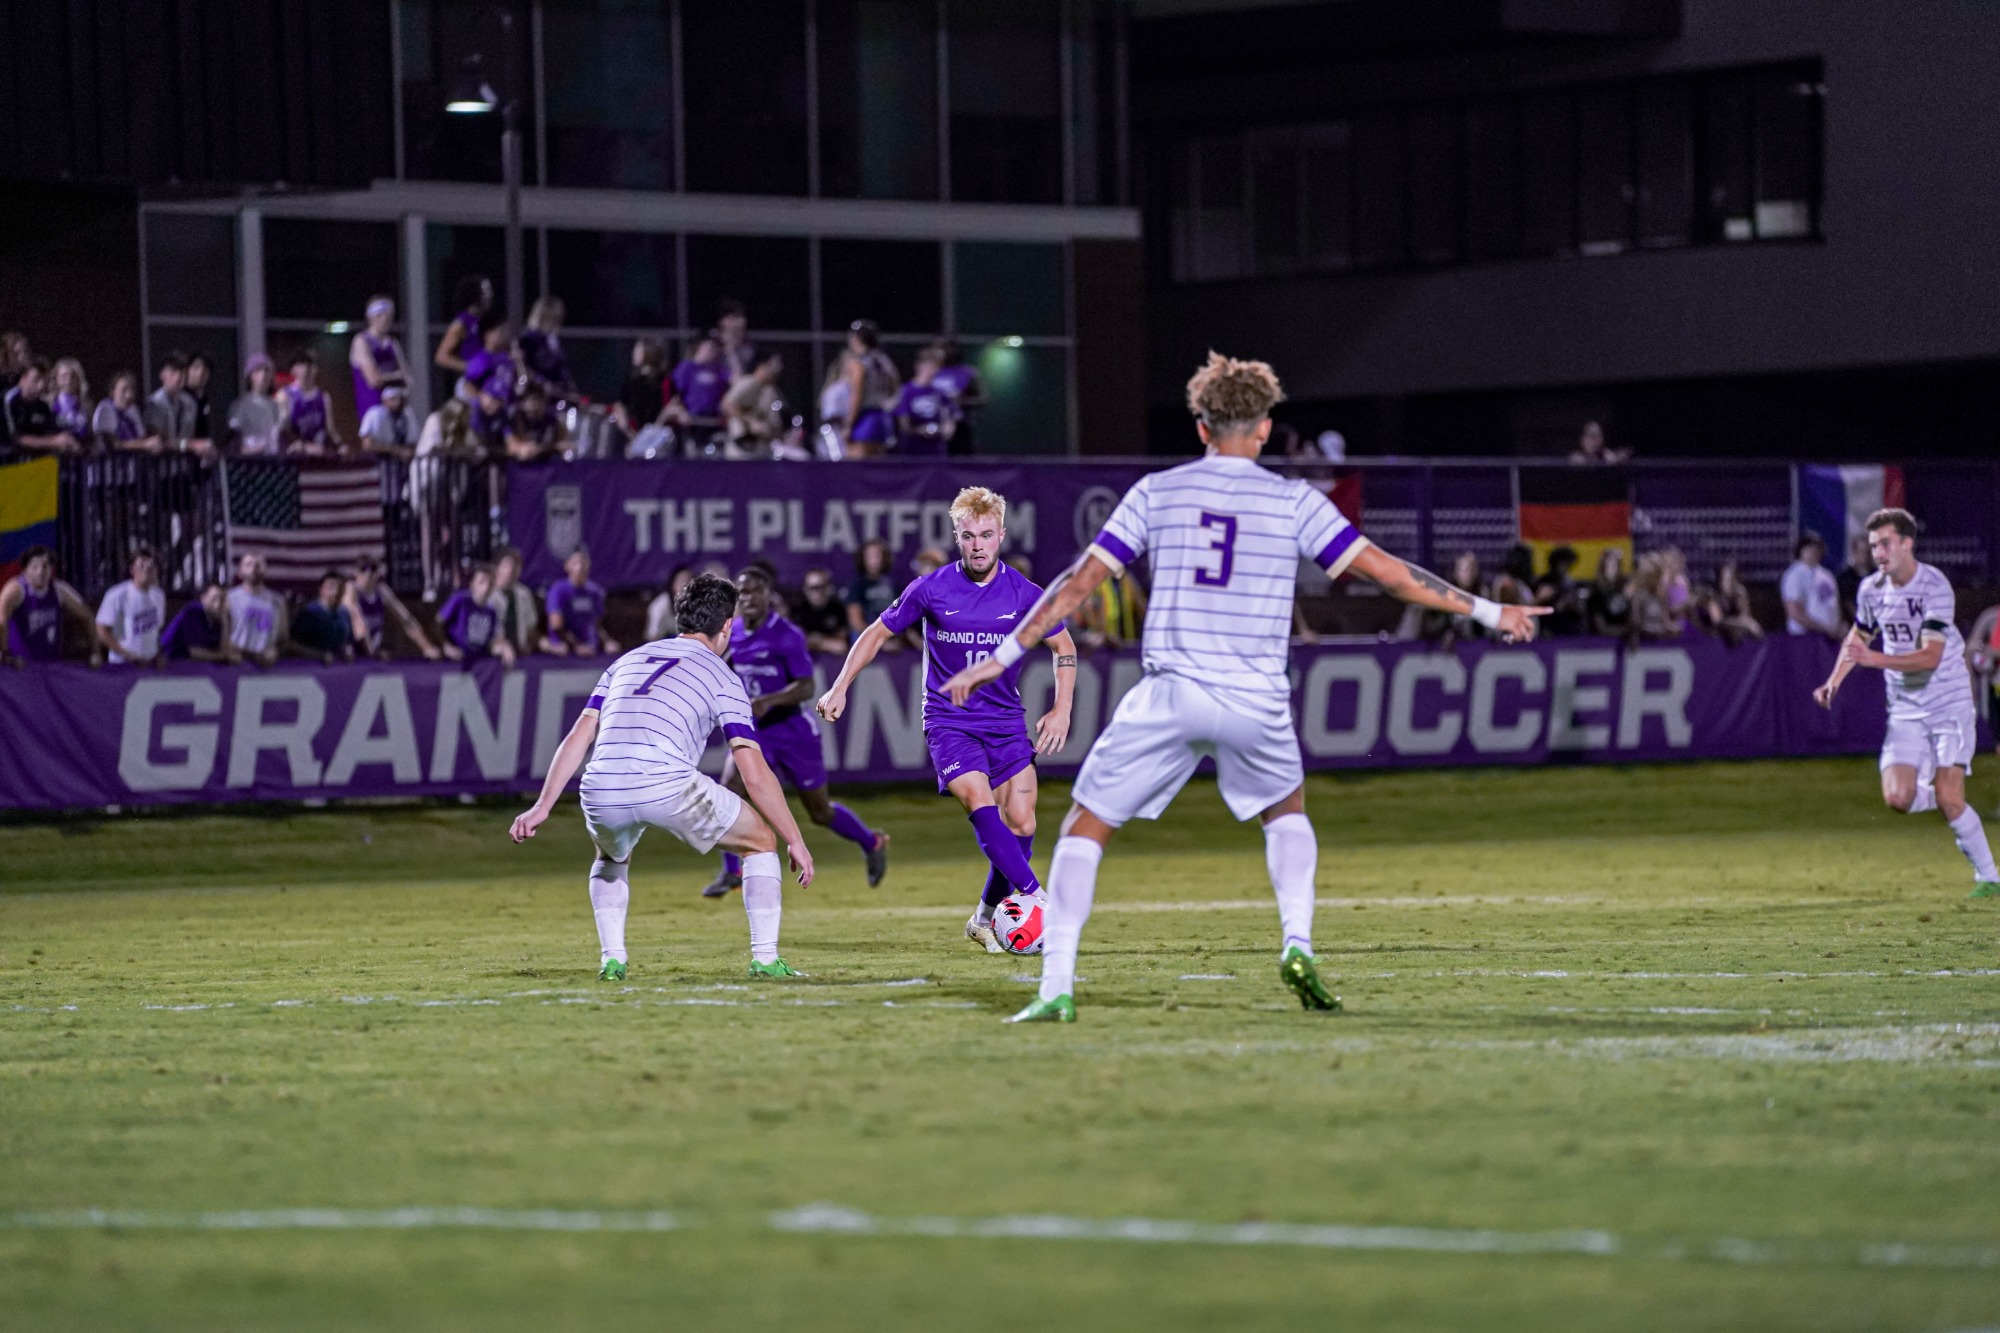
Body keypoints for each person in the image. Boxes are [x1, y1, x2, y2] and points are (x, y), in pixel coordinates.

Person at [940, 351, 1544, 1022]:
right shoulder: (1292, 500)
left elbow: (1078, 583)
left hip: (1171, 693)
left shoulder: (1157, 491)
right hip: (1256, 698)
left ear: (1200, 426)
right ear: (1262, 431)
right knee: (1286, 814)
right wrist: (1491, 611)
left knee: (1086, 826)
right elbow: (1390, 575)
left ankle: (1056, 986)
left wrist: (1000, 657)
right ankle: (1297, 942)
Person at [512, 572, 818, 981]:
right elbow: (754, 771)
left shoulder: (627, 660)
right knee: (760, 841)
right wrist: (794, 839)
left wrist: (542, 806)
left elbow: (580, 734)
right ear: (727, 626)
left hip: (601, 785)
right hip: (665, 782)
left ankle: (612, 960)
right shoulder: (723, 676)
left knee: (611, 857)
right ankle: (764, 959)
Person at [819, 489, 1075, 949]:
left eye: (987, 535)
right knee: (978, 801)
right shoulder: (931, 589)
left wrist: (1062, 709)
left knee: (1021, 823)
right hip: (948, 721)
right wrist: (840, 686)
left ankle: (982, 917)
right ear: (957, 538)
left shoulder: (1025, 594)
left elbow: (1064, 647)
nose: (979, 545)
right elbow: (876, 633)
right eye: (969, 536)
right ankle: (1040, 898)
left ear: (1002, 536)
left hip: (1005, 722)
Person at [1815, 507, 1998, 897]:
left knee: (1950, 798)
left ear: (1907, 543)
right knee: (1898, 798)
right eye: (1873, 546)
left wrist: (1875, 660)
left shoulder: (1934, 586)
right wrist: (1833, 681)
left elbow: (1930, 657)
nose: (1877, 553)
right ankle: (1948, 799)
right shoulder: (1870, 590)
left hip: (1948, 701)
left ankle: (1989, 877)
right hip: (1904, 707)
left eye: (1885, 544)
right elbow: (1858, 639)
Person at [691, 567, 891, 900]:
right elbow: (722, 668)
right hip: (755, 734)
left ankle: (872, 842)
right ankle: (731, 871)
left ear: (768, 595)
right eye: (743, 592)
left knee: (819, 811)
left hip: (793, 732)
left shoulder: (787, 635)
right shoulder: (733, 633)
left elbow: (807, 686)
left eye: (756, 591)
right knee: (728, 790)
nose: (750, 598)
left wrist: (769, 700)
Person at [0, 546, 92, 665]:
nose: (41, 571)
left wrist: (95, 652)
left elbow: (87, 616)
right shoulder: (15, 590)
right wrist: (5, 654)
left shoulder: (59, 589)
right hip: (19, 667)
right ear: (25, 570)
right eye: (35, 567)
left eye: (46, 566)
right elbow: (2, 622)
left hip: (50, 667)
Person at [343, 557, 440, 660]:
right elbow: (356, 621)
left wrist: (426, 647)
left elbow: (406, 619)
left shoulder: (381, 591)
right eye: (363, 569)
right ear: (355, 573)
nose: (368, 574)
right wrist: (371, 651)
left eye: (373, 569)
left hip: (372, 650)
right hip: (353, 647)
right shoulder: (350, 589)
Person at [94, 547, 167, 666]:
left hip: (149, 665)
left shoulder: (158, 596)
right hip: (123, 665)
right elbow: (102, 630)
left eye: (151, 566)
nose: (147, 569)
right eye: (142, 565)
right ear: (133, 570)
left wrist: (157, 654)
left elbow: (156, 629)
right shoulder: (118, 594)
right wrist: (126, 654)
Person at [838, 321, 900, 458]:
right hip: (882, 417)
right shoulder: (883, 360)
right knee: (877, 467)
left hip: (865, 418)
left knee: (857, 467)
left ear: (856, 339)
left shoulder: (858, 363)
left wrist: (849, 424)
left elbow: (857, 395)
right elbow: (895, 386)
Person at [1396, 551, 1484, 647]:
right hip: (1437, 641)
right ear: (1456, 572)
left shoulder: (1482, 593)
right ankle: (1401, 645)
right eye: (1465, 570)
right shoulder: (1446, 593)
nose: (1469, 574)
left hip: (1474, 644)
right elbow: (1437, 623)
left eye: (1472, 569)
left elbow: (1483, 628)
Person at [544, 547, 618, 657]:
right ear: (567, 566)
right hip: (564, 653)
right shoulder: (558, 590)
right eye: (575, 563)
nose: (579, 567)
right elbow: (556, 625)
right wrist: (577, 646)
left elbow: (596, 625)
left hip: (591, 652)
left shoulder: (595, 591)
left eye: (582, 563)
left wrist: (607, 642)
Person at [438, 565, 517, 667]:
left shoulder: (492, 611)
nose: (486, 587)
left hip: (477, 661)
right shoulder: (460, 600)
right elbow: (438, 623)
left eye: (490, 583)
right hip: (454, 661)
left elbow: (491, 640)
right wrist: (445, 645)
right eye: (482, 582)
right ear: (472, 584)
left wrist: (503, 647)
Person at [350, 297, 410, 423]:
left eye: (388, 316)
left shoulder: (392, 343)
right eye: (379, 315)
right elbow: (373, 380)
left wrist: (392, 377)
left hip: (395, 407)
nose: (384, 319)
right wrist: (396, 376)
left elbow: (407, 377)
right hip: (372, 405)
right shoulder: (361, 341)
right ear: (370, 317)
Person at [890, 347, 958, 457]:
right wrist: (920, 430)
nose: (932, 371)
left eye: (935, 366)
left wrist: (943, 431)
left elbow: (950, 421)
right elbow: (904, 424)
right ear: (919, 366)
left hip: (936, 452)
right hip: (912, 451)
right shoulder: (906, 392)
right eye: (929, 366)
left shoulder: (940, 393)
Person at [4, 360, 81, 454]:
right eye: (36, 380)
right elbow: (16, 439)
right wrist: (54, 442)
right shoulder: (9, 400)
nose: (41, 386)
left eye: (44, 381)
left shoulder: (42, 406)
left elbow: (50, 431)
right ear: (23, 379)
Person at [669, 332, 730, 450]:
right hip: (693, 421)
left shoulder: (719, 369)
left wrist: (730, 350)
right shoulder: (686, 368)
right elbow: (676, 395)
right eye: (710, 348)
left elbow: (736, 380)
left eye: (715, 348)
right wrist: (682, 412)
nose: (713, 351)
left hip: (713, 420)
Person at [722, 352, 787, 458]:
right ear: (762, 366)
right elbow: (727, 404)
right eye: (774, 365)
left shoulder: (771, 390)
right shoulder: (748, 382)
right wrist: (751, 422)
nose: (778, 369)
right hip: (741, 448)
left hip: (761, 448)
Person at [614, 338, 673, 456]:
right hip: (634, 436)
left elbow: (669, 407)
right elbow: (621, 404)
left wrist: (652, 433)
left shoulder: (665, 382)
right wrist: (632, 435)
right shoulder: (631, 381)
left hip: (658, 437)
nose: (634, 354)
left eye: (638, 350)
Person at [227, 553, 288, 666]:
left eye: (258, 564)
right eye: (249, 564)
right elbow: (223, 636)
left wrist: (276, 651)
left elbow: (283, 638)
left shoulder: (277, 600)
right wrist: (253, 655)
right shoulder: (230, 598)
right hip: (237, 664)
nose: (254, 568)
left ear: (266, 570)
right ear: (240, 571)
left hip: (267, 667)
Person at [928, 338, 985, 457]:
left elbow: (983, 398)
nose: (943, 352)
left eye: (946, 348)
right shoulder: (931, 372)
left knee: (961, 462)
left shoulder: (968, 372)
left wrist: (963, 401)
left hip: (960, 425)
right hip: (932, 425)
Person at [1782, 534, 1845, 640]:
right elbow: (1794, 611)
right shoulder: (1795, 574)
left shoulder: (1826, 575)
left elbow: (1834, 604)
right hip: (1804, 637)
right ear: (1800, 550)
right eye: (1809, 548)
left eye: (1817, 548)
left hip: (1831, 637)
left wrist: (1837, 628)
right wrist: (1823, 628)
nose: (1814, 551)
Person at [434, 275, 493, 383]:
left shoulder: (488, 321)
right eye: (485, 291)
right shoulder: (461, 323)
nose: (490, 295)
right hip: (471, 384)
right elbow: (441, 357)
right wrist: (469, 367)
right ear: (475, 294)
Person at [278, 352, 338, 455]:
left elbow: (330, 430)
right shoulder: (284, 396)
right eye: (301, 365)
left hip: (318, 452)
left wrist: (340, 446)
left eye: (309, 365)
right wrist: (304, 446)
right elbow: (282, 430)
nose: (305, 370)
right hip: (295, 453)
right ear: (293, 370)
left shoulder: (323, 397)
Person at [518, 296, 576, 400]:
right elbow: (523, 367)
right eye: (554, 317)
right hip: (538, 395)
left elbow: (561, 368)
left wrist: (570, 390)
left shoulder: (552, 339)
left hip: (559, 395)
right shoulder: (529, 338)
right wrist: (542, 384)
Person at [1695, 558, 1764, 646]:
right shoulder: (1710, 594)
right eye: (1724, 578)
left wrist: (1745, 624)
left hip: (1732, 629)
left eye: (1730, 579)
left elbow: (1745, 616)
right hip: (1708, 633)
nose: (1726, 583)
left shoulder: (1740, 593)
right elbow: (1717, 621)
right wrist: (1742, 624)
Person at [291, 570, 355, 663]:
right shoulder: (309, 612)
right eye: (331, 587)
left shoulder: (344, 613)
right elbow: (293, 645)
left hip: (339, 668)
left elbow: (349, 641)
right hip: (310, 667)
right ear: (321, 589)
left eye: (340, 588)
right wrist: (319, 655)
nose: (335, 592)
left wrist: (348, 650)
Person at [146, 353, 204, 453]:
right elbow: (158, 440)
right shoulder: (155, 403)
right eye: (173, 372)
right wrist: (188, 445)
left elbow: (191, 435)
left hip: (185, 461)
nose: (178, 377)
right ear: (162, 375)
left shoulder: (189, 402)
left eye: (182, 372)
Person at [846, 538, 900, 645]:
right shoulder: (857, 586)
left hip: (889, 637)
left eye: (877, 556)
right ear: (863, 559)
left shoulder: (892, 585)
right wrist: (878, 641)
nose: (874, 561)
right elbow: (855, 620)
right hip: (864, 639)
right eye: (869, 557)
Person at [489, 547, 541, 656]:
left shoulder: (525, 594)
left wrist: (532, 643)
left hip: (521, 652)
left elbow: (531, 627)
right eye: (507, 565)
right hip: (494, 654)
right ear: (497, 568)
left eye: (517, 566)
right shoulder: (487, 594)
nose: (511, 570)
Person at [161, 582, 232, 662]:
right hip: (169, 663)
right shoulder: (193, 612)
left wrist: (224, 620)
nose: (218, 604)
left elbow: (223, 649)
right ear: (203, 598)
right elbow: (194, 652)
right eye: (214, 599)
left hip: (190, 666)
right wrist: (221, 657)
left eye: (222, 600)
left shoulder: (215, 618)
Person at [228, 355, 283, 456]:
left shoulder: (275, 405)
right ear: (250, 376)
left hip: (271, 459)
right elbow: (234, 438)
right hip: (248, 460)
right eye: (258, 370)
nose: (263, 375)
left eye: (267, 371)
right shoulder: (239, 405)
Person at [790, 567, 850, 654]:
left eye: (821, 587)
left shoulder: (838, 609)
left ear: (828, 587)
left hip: (833, 662)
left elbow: (841, 645)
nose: (817, 592)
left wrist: (814, 641)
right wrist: (825, 642)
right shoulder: (797, 609)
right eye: (813, 588)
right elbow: (794, 641)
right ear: (805, 589)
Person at [93, 370, 156, 452]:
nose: (129, 395)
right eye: (124, 390)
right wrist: (144, 444)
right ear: (113, 391)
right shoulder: (105, 409)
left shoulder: (133, 410)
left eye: (133, 389)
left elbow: (141, 438)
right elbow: (112, 445)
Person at [1533, 545, 1587, 636]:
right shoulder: (1544, 582)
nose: (1565, 568)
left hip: (1571, 627)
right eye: (1562, 563)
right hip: (1550, 628)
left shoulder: (1570, 582)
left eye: (1568, 564)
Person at [359, 381, 421, 459]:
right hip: (378, 460)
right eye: (393, 399)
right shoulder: (375, 414)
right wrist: (397, 451)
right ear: (385, 400)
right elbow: (368, 444)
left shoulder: (407, 414)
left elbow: (414, 441)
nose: (397, 403)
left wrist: (408, 451)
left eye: (400, 399)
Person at [506, 385, 566, 461]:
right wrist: (521, 448)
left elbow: (563, 443)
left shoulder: (553, 421)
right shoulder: (516, 418)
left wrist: (557, 447)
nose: (532, 405)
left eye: (537, 400)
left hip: (545, 463)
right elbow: (510, 446)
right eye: (529, 400)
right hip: (520, 464)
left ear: (544, 402)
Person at [1583, 548, 1632, 637]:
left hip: (1624, 634)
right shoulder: (1596, 590)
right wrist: (1624, 631)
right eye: (1609, 564)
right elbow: (1599, 625)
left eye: (1616, 564)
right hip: (1603, 640)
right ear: (1603, 567)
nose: (1613, 568)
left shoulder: (1625, 587)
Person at [645, 564, 695, 641]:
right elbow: (652, 636)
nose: (685, 586)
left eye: (688, 581)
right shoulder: (660, 605)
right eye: (681, 581)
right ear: (673, 584)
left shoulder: (699, 604)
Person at [716, 299, 757, 381]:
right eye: (732, 318)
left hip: (736, 385)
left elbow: (740, 376)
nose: (740, 322)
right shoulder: (712, 342)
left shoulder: (747, 349)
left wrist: (730, 350)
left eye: (739, 317)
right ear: (722, 322)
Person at [49, 358, 90, 440]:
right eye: (64, 376)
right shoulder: (48, 403)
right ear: (56, 378)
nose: (69, 380)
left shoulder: (87, 406)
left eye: (73, 376)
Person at [1836, 533, 1872, 621]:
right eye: (1861, 551)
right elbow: (1846, 603)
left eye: (1868, 552)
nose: (1865, 556)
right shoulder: (1845, 577)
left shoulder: (1879, 576)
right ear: (1854, 553)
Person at [184, 354, 216, 442]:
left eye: (205, 369)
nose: (200, 373)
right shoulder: (181, 398)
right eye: (196, 367)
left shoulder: (204, 398)